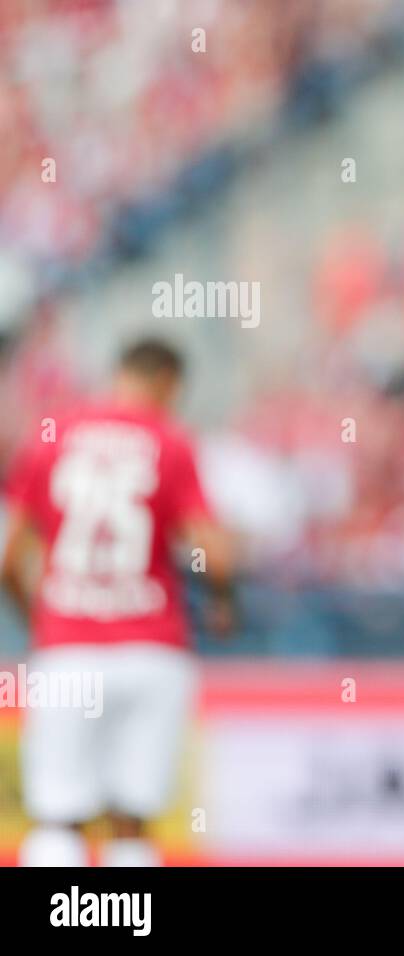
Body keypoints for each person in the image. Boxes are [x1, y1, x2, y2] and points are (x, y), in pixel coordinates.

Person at [0, 337, 235, 866]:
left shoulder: (52, 435)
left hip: (68, 648)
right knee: (132, 822)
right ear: (168, 383)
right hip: (152, 649)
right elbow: (214, 553)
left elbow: (9, 558)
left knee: (58, 816)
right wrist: (223, 601)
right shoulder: (170, 441)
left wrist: (40, 617)